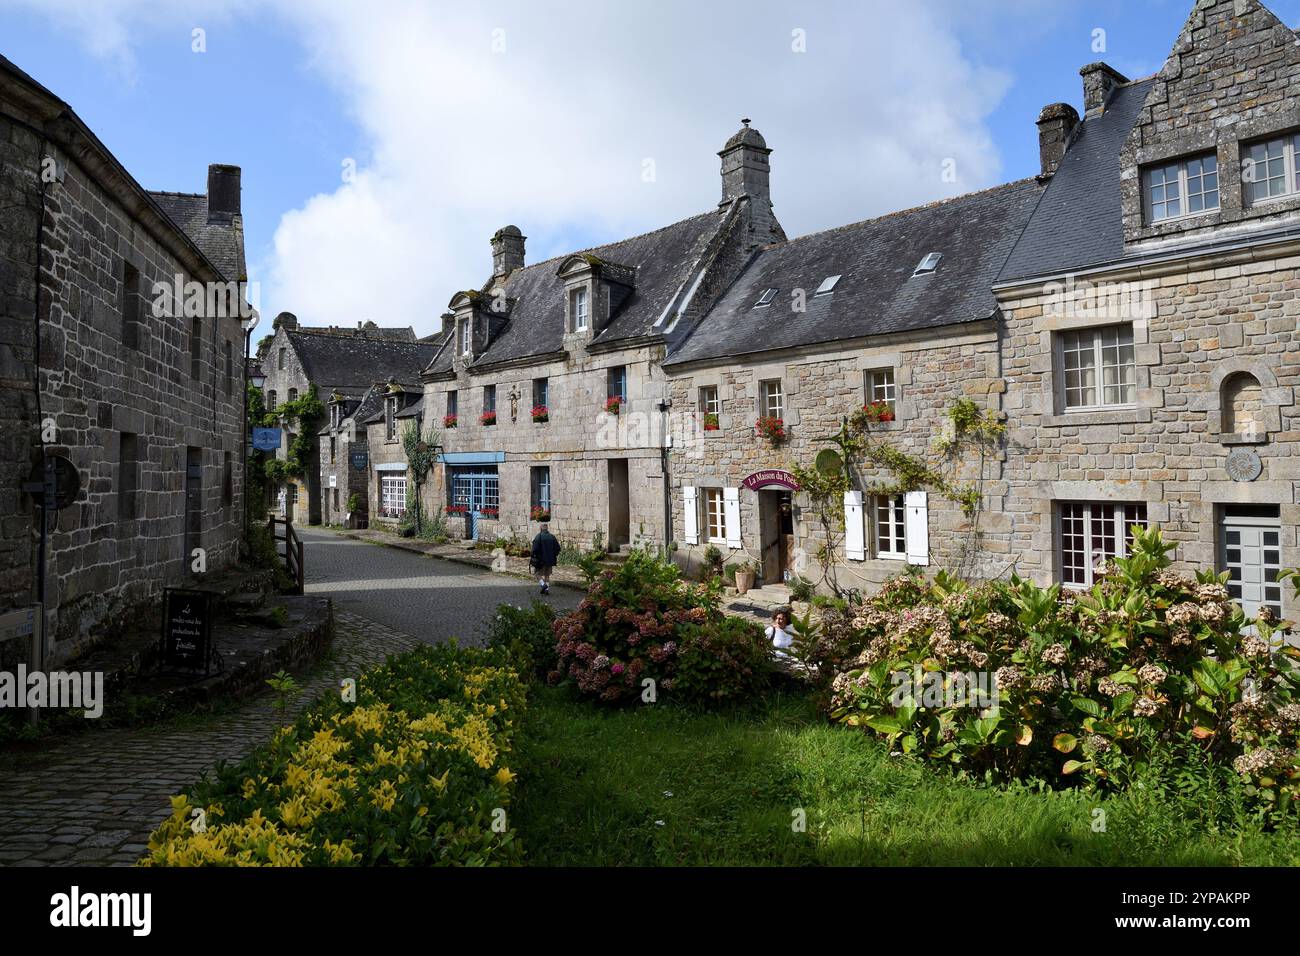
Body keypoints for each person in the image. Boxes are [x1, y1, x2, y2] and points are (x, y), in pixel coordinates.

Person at [530, 522, 561, 595]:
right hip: (550, 560)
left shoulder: (539, 536)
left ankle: (543, 585)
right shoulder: (552, 537)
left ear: (540, 528)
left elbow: (534, 549)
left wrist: (533, 556)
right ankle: (547, 590)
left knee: (537, 574)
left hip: (541, 561)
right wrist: (553, 555)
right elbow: (558, 548)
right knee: (547, 575)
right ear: (547, 528)